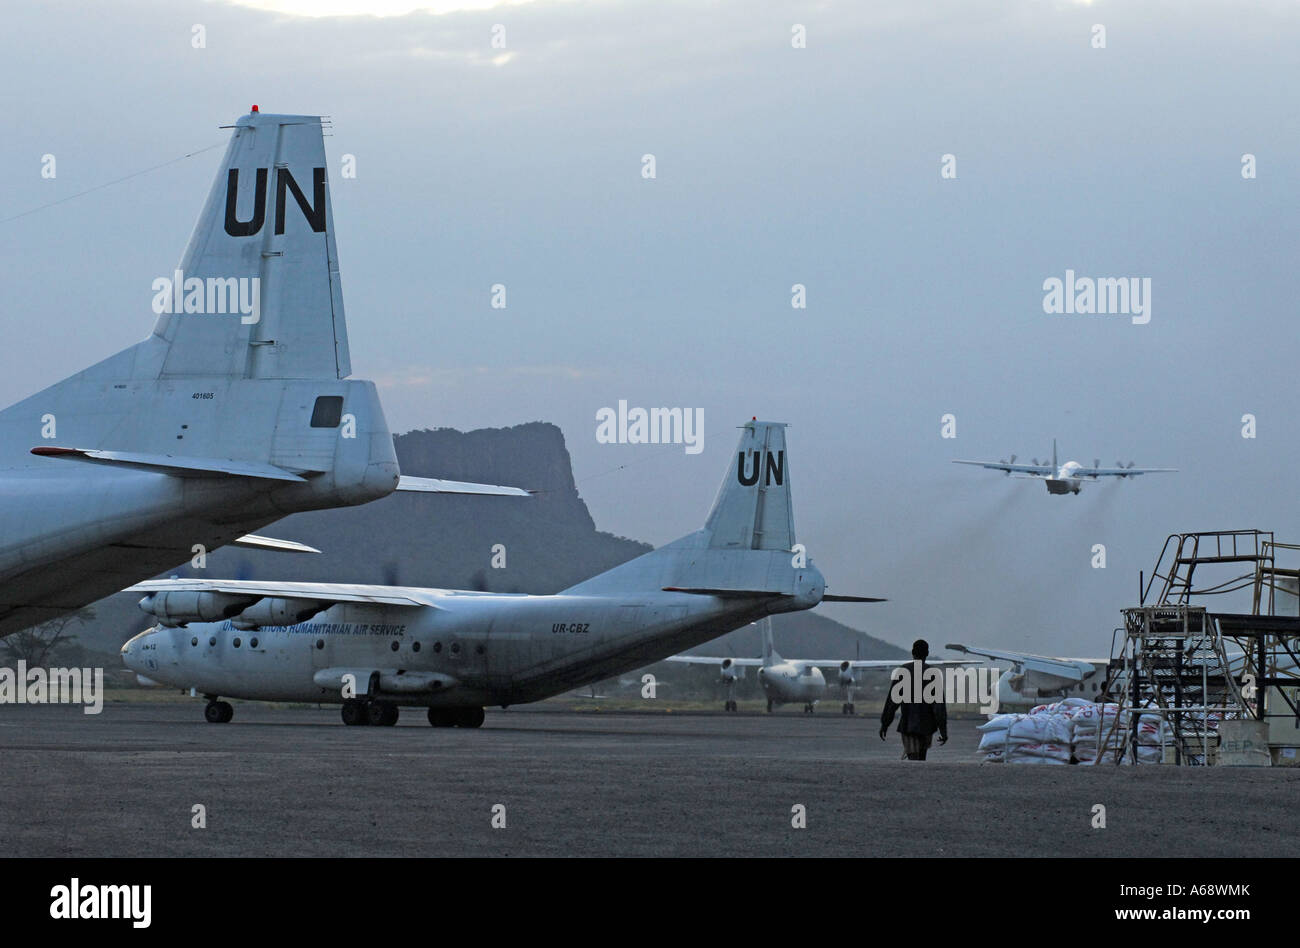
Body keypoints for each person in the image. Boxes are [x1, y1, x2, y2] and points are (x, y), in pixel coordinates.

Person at [879, 638, 948, 760]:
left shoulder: (903, 671)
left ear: (912, 652)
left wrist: (885, 724)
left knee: (913, 760)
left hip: (908, 725)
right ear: (927, 653)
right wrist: (943, 730)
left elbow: (892, 702)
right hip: (927, 726)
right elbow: (939, 707)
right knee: (921, 759)